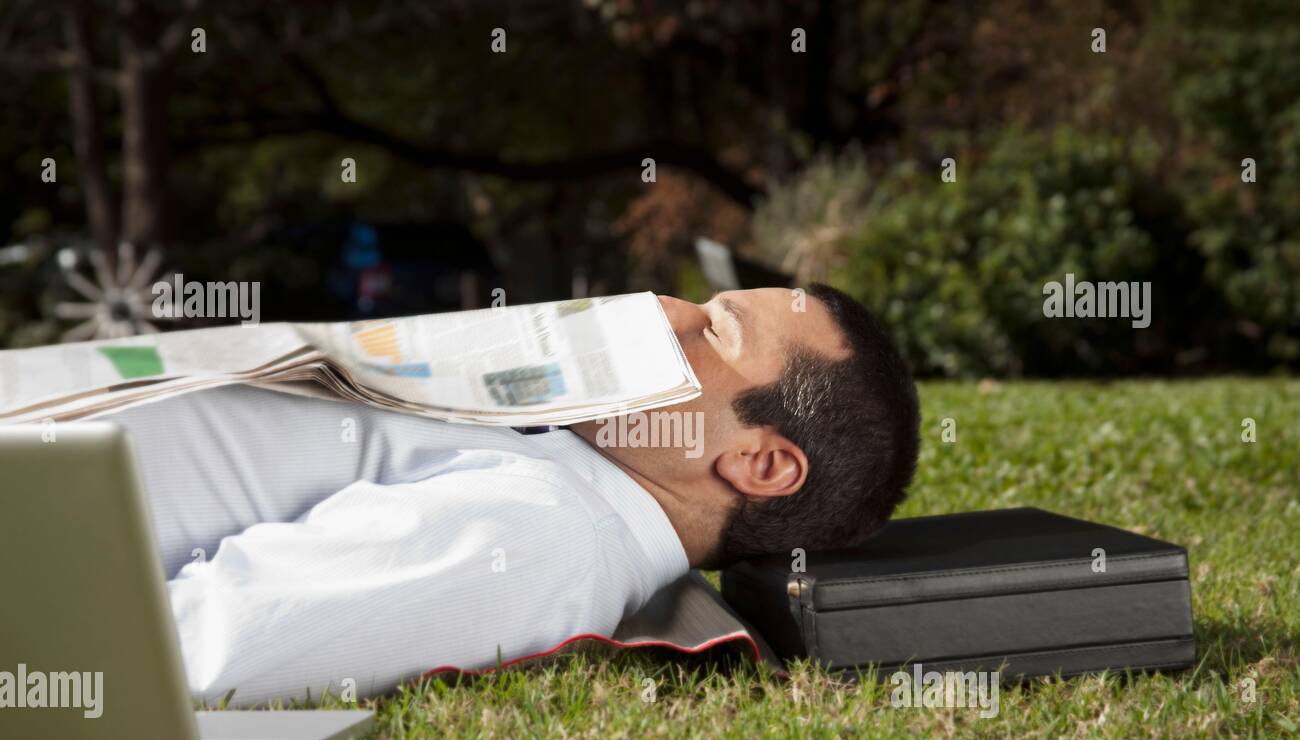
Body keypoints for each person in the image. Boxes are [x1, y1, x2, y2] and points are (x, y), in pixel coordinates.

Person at [101, 283, 920, 706]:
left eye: (716, 330)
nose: (661, 309)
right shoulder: (555, 452)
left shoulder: (545, 530)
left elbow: (179, 652)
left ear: (762, 465)